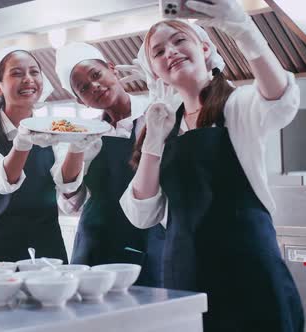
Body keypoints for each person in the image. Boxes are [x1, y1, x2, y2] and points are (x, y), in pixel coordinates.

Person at [120, 0, 304, 330]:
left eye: (179, 41)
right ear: (155, 70)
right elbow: (142, 211)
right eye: (158, 52)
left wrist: (243, 29)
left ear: (204, 48)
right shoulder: (164, 123)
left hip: (249, 266)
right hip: (185, 271)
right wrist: (152, 143)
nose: (170, 52)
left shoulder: (238, 104)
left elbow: (281, 100)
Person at [54, 42, 167, 287]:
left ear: (112, 69)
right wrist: (77, 145)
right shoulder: (84, 134)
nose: (94, 86)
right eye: (83, 88)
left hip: (145, 241)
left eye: (97, 75)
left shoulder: (156, 114)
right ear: (81, 101)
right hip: (93, 247)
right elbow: (70, 202)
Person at [0, 46, 84, 263]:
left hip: (46, 245)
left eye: (34, 72)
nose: (28, 79)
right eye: (17, 73)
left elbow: (66, 182)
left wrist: (77, 146)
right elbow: (5, 180)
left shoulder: (53, 128)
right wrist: (22, 141)